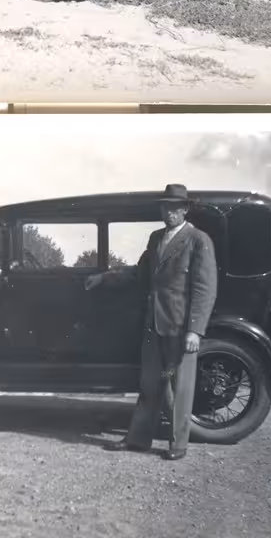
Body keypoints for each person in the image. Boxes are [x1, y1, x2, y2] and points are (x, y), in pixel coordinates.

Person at [86, 183, 218, 461]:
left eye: (174, 207)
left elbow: (205, 289)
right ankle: (138, 439)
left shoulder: (198, 240)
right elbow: (139, 273)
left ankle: (178, 444)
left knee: (180, 387)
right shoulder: (156, 237)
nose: (168, 212)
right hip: (154, 323)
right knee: (149, 385)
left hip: (181, 326)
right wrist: (104, 278)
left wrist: (195, 330)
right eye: (165, 207)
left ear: (184, 209)